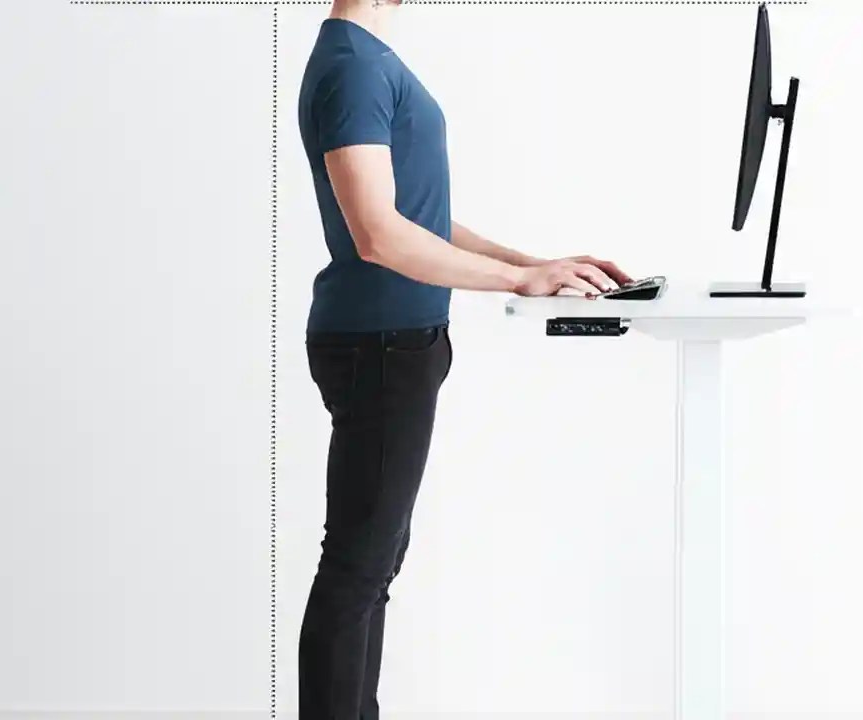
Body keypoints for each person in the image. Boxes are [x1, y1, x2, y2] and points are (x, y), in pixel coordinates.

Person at [295, 1, 632, 717]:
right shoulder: (353, 69)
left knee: (373, 565)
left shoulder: (367, 59)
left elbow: (416, 218)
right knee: (356, 570)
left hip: (396, 341)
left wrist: (533, 262)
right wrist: (517, 281)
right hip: (380, 344)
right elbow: (378, 234)